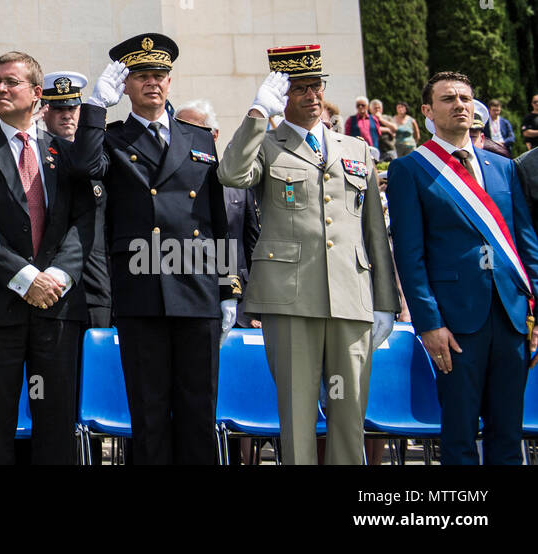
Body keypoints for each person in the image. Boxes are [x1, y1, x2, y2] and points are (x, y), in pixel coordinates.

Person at [217, 45, 397, 465]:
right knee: (297, 417)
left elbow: (373, 231)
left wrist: (385, 301)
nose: (312, 95)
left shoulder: (355, 149)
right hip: (290, 297)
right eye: (299, 89)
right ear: (284, 97)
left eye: (316, 86)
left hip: (350, 296)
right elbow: (231, 173)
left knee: (350, 413)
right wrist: (258, 114)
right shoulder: (266, 143)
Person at [67, 33, 233, 465]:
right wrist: (95, 110)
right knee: (150, 410)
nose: (152, 83)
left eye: (159, 75)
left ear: (170, 82)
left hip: (196, 290)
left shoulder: (198, 139)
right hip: (142, 288)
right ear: (126, 85)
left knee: (199, 409)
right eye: (141, 76)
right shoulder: (112, 138)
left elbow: (217, 220)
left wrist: (229, 288)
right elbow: (84, 168)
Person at [388, 71, 538, 465]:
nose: (460, 105)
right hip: (454, 325)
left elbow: (527, 245)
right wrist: (429, 324)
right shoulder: (410, 170)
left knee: (508, 433)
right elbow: (410, 256)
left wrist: (535, 310)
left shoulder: (503, 167)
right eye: (449, 99)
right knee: (459, 436)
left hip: (511, 317)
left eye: (466, 99)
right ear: (427, 111)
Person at [0, 53, 93, 464]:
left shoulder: (67, 154)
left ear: (36, 93)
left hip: (57, 307)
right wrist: (26, 276)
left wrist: (58, 277)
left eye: (10, 82)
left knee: (56, 425)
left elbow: (84, 222)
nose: (0, 89)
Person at [175, 100, 260, 329]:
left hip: (238, 301)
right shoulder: (168, 186)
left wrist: (257, 309)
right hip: (187, 295)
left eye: (195, 129)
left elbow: (251, 246)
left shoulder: (239, 186)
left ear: (214, 135)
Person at [42, 72, 110, 331]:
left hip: (96, 286)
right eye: (58, 109)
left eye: (72, 108)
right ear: (44, 112)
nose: (67, 115)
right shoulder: (38, 157)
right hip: (54, 286)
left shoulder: (101, 155)